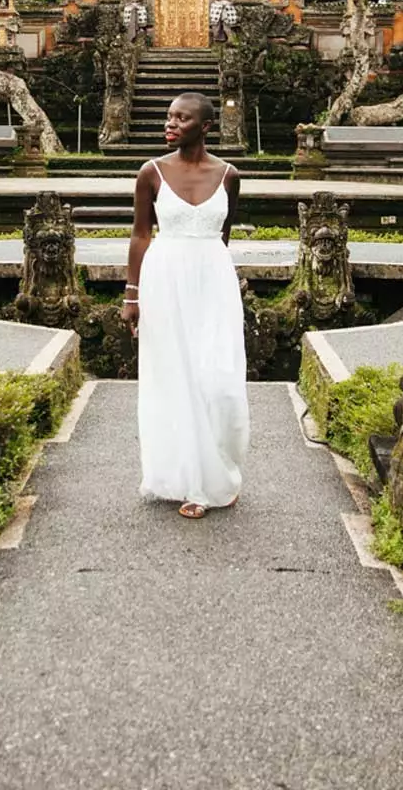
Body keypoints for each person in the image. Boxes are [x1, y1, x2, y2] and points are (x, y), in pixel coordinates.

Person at [122, 92, 248, 519]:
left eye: (183, 118)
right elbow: (141, 235)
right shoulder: (150, 173)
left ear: (205, 126)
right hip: (164, 277)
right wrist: (131, 295)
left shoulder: (229, 175)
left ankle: (221, 471)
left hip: (213, 278)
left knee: (220, 381)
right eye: (169, 115)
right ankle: (193, 482)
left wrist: (218, 277)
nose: (171, 123)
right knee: (176, 379)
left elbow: (224, 232)